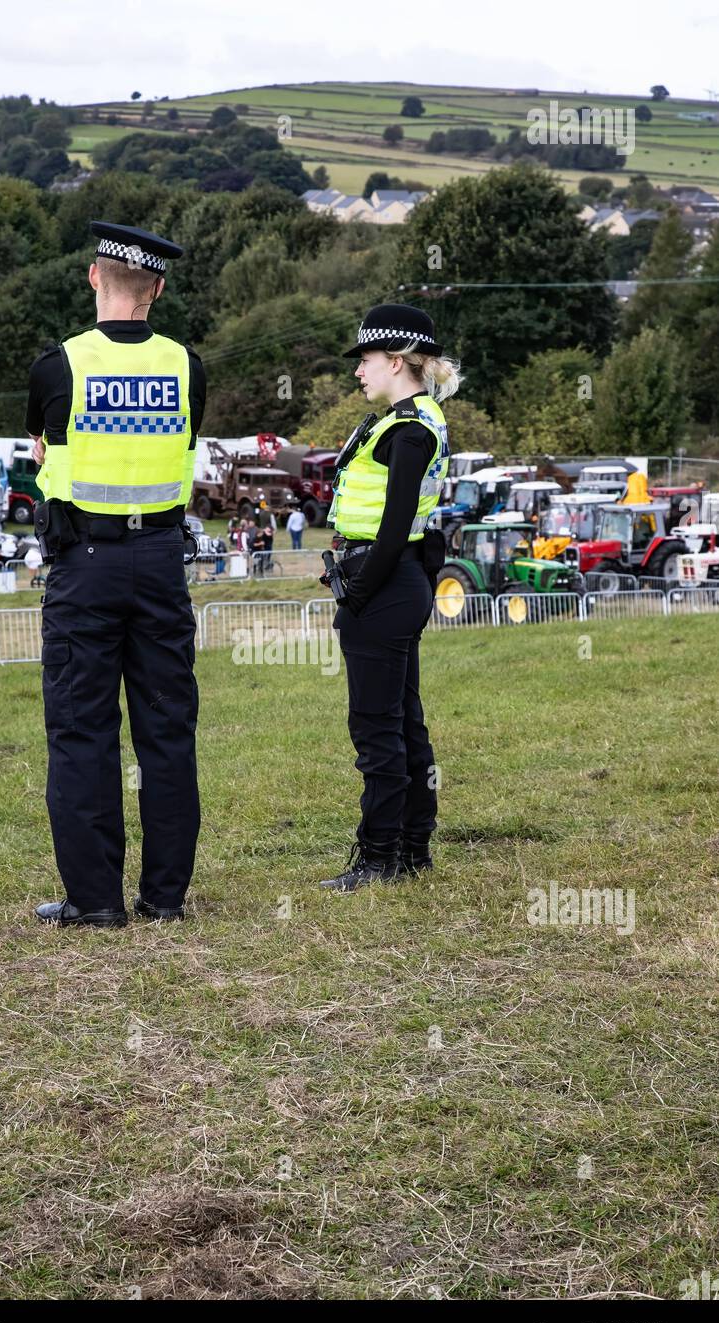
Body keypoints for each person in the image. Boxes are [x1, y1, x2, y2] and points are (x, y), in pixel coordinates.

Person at [27, 220, 205, 928]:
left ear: (94, 277)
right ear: (156, 289)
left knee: (82, 731)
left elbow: (41, 447)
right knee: (167, 730)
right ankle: (165, 897)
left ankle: (94, 900)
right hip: (161, 560)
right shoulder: (188, 365)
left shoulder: (57, 365)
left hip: (85, 565)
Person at [320, 304, 457, 892]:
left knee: (377, 727)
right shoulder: (414, 419)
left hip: (384, 581)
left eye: (367, 360)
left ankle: (380, 858)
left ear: (397, 361)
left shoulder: (408, 428)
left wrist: (356, 595)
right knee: (403, 721)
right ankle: (411, 848)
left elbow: (397, 523)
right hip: (396, 580)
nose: (359, 372)